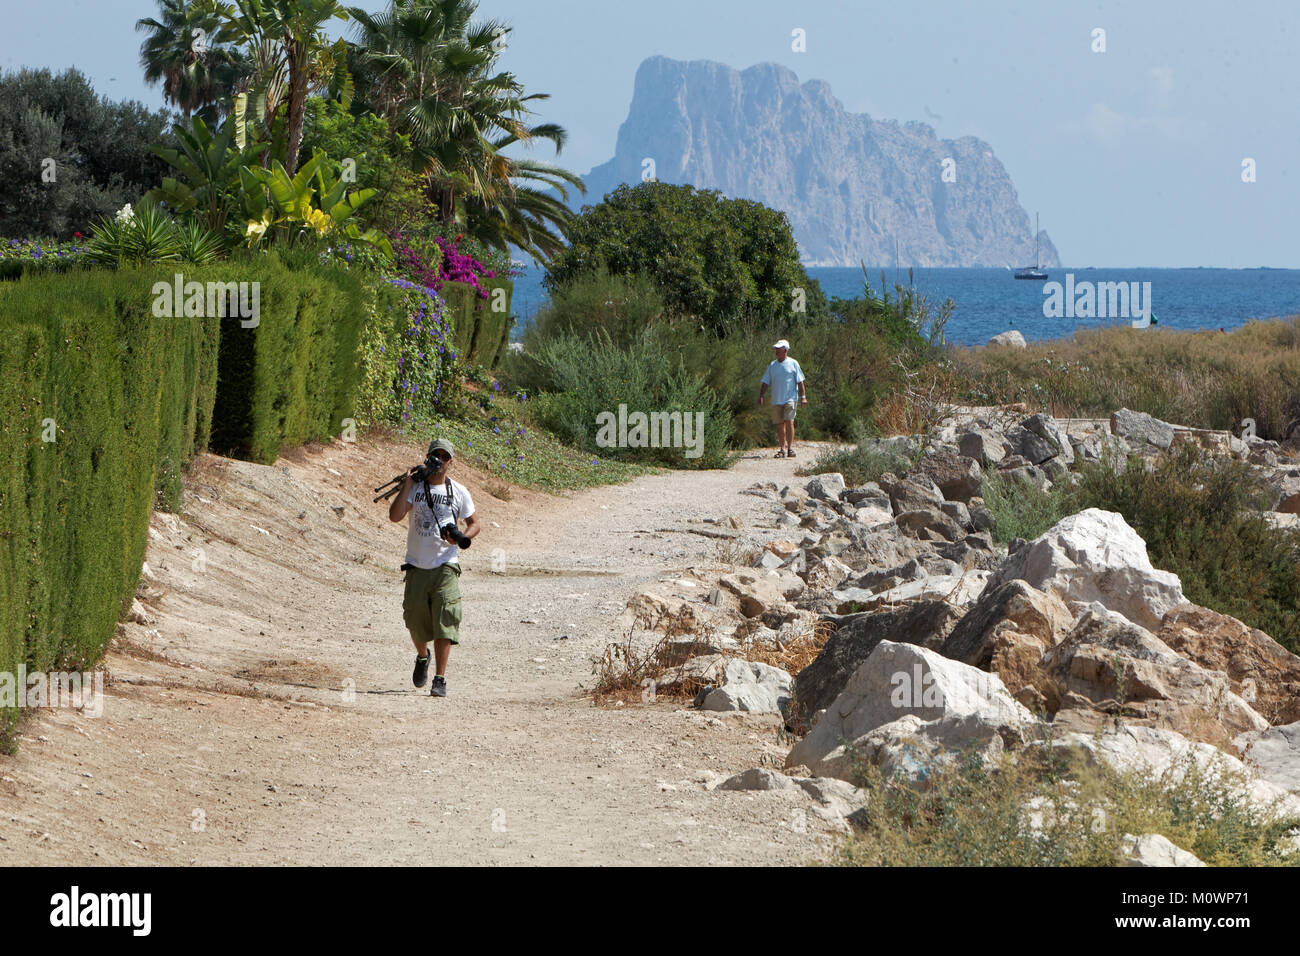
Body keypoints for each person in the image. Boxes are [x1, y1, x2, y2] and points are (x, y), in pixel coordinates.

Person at [388, 438, 481, 697]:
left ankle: (440, 678)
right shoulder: (415, 488)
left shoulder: (459, 491)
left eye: (444, 457)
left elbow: (475, 523)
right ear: (427, 457)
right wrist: (408, 482)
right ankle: (422, 656)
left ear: (451, 462)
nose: (439, 461)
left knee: (445, 619)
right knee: (415, 621)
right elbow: (395, 516)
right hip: (417, 565)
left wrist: (463, 535)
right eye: (435, 455)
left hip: (446, 565)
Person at [757, 339, 807, 458]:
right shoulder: (772, 365)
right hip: (776, 399)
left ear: (785, 350)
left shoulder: (793, 363)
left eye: (779, 349)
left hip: (790, 398)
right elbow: (765, 381)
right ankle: (782, 449)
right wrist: (761, 395)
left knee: (789, 422)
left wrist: (803, 397)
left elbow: (800, 381)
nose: (776, 351)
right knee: (780, 424)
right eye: (776, 349)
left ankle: (790, 448)